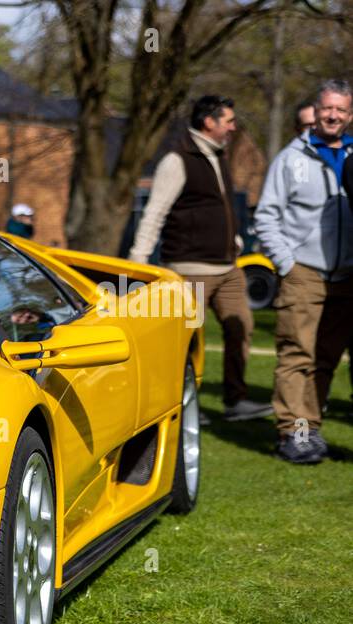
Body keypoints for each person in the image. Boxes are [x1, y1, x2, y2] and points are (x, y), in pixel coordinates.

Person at [128, 94, 272, 424]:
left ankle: (236, 401)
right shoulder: (176, 160)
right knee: (185, 341)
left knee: (242, 328)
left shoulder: (218, 156)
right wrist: (138, 262)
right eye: (229, 121)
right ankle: (179, 405)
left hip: (228, 269)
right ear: (209, 122)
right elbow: (155, 213)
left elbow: (217, 206)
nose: (234, 127)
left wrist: (234, 239)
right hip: (190, 270)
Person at [254, 78, 353, 464]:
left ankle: (311, 428)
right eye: (327, 108)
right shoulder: (290, 159)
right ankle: (293, 434)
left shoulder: (351, 154)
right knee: (297, 354)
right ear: (316, 110)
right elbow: (266, 216)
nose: (333, 115)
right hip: (304, 271)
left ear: (349, 115)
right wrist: (287, 264)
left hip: (346, 275)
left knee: (326, 358)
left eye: (341, 110)